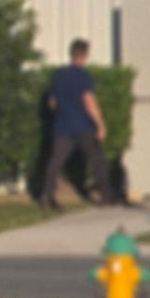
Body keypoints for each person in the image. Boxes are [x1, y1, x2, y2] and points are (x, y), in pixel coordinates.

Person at [40, 39, 112, 208]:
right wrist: (100, 124)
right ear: (85, 55)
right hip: (83, 125)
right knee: (97, 160)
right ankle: (106, 196)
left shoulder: (59, 75)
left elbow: (52, 102)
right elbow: (89, 101)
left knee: (56, 162)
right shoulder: (83, 76)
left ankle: (47, 195)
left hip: (62, 126)